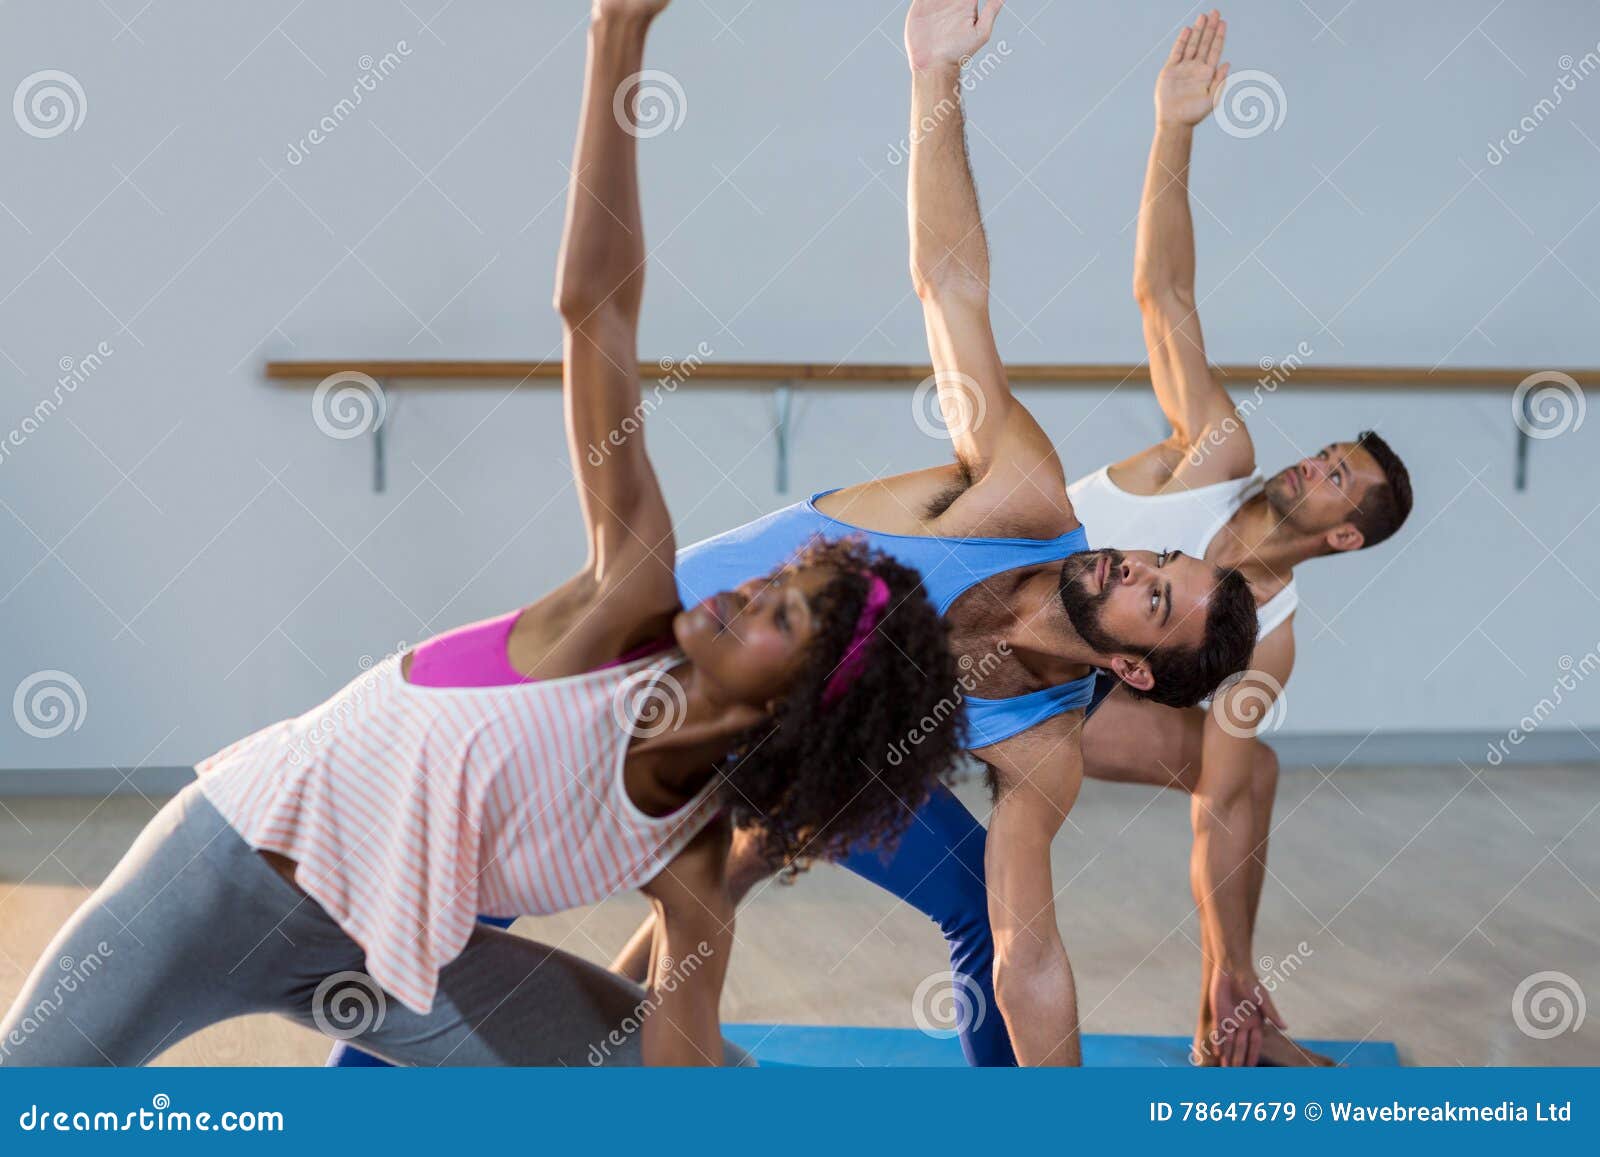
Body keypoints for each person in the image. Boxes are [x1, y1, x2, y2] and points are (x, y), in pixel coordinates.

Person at [0, 0, 965, 1068]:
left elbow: (683, 1062)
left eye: (779, 610)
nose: (742, 589)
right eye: (775, 578)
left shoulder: (690, 845)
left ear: (796, 704)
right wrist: (618, 34)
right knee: (26, 1099)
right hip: (228, 870)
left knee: (700, 1084)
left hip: (382, 963)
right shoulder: (626, 603)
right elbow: (595, 313)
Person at [330, 0, 1259, 1072]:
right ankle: (361, 1105)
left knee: (955, 895)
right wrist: (934, 78)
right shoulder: (1017, 497)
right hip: (649, 669)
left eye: (1151, 592)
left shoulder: (1042, 747)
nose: (1130, 560)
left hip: (781, 744)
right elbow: (951, 287)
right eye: (1157, 558)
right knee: (479, 899)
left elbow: (1027, 945)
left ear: (1131, 668)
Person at [1071, 10, 1413, 1067]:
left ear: (1342, 536)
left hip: (1065, 691)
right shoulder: (1214, 450)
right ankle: (1233, 1007)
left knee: (1244, 772)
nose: (1313, 463)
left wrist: (1228, 961)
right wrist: (1173, 129)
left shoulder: (1270, 635)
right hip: (989, 633)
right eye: (1326, 451)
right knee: (1247, 772)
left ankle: (1226, 1006)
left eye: (1336, 479)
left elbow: (1216, 800)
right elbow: (1160, 293)